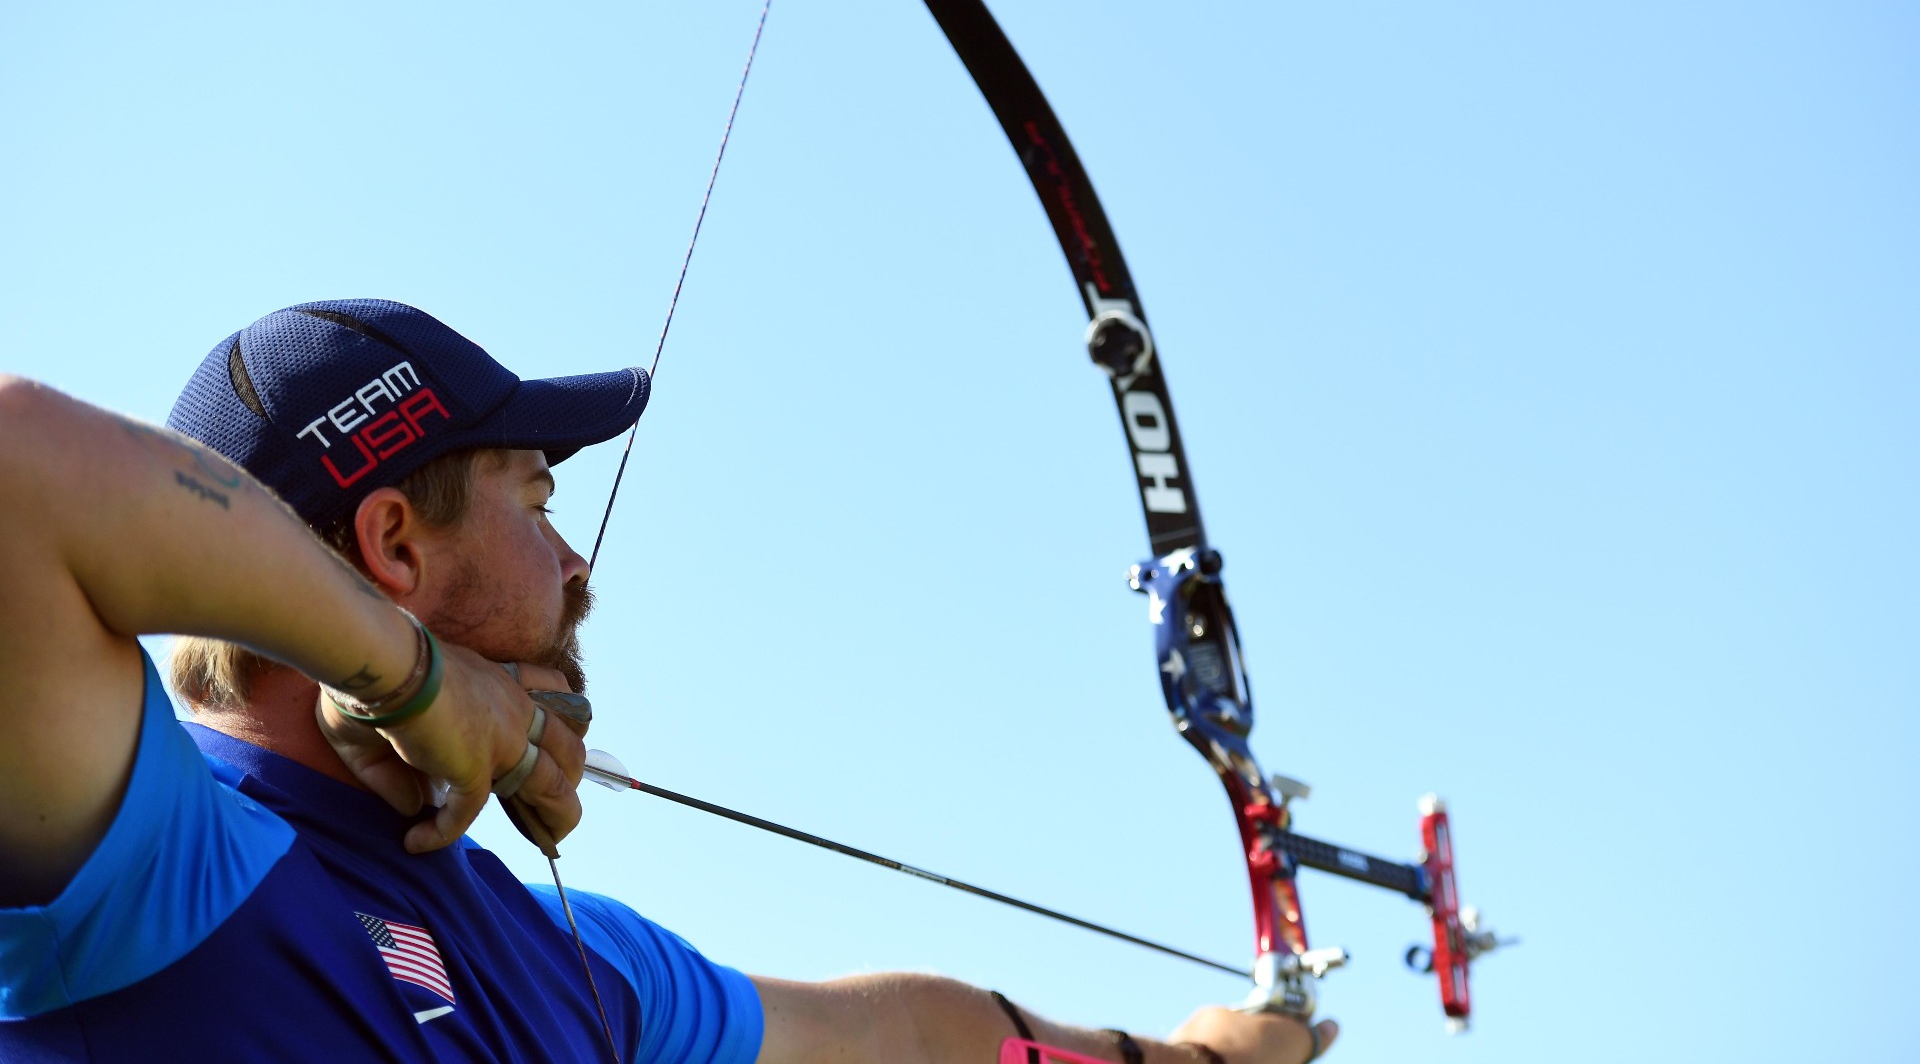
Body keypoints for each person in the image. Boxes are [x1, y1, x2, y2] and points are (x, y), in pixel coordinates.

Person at [0, 299, 1339, 1063]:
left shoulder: (566, 957)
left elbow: (909, 1044)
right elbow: (18, 467)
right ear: (394, 543)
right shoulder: (154, 850)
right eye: (534, 498)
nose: (577, 562)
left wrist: (1198, 1060)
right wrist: (415, 678)